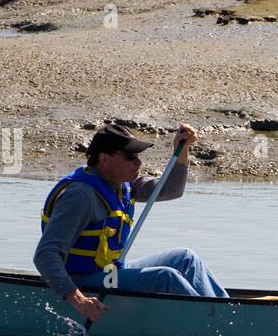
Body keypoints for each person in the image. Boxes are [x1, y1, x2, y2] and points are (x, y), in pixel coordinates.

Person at [34, 121, 227, 323]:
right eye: (130, 157)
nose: (138, 162)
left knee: (186, 258)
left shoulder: (124, 183)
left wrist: (182, 148)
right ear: (104, 159)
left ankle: (227, 313)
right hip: (80, 280)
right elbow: (45, 255)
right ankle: (215, 325)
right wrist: (79, 300)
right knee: (165, 277)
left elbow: (171, 189)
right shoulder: (80, 196)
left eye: (137, 156)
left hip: (110, 273)